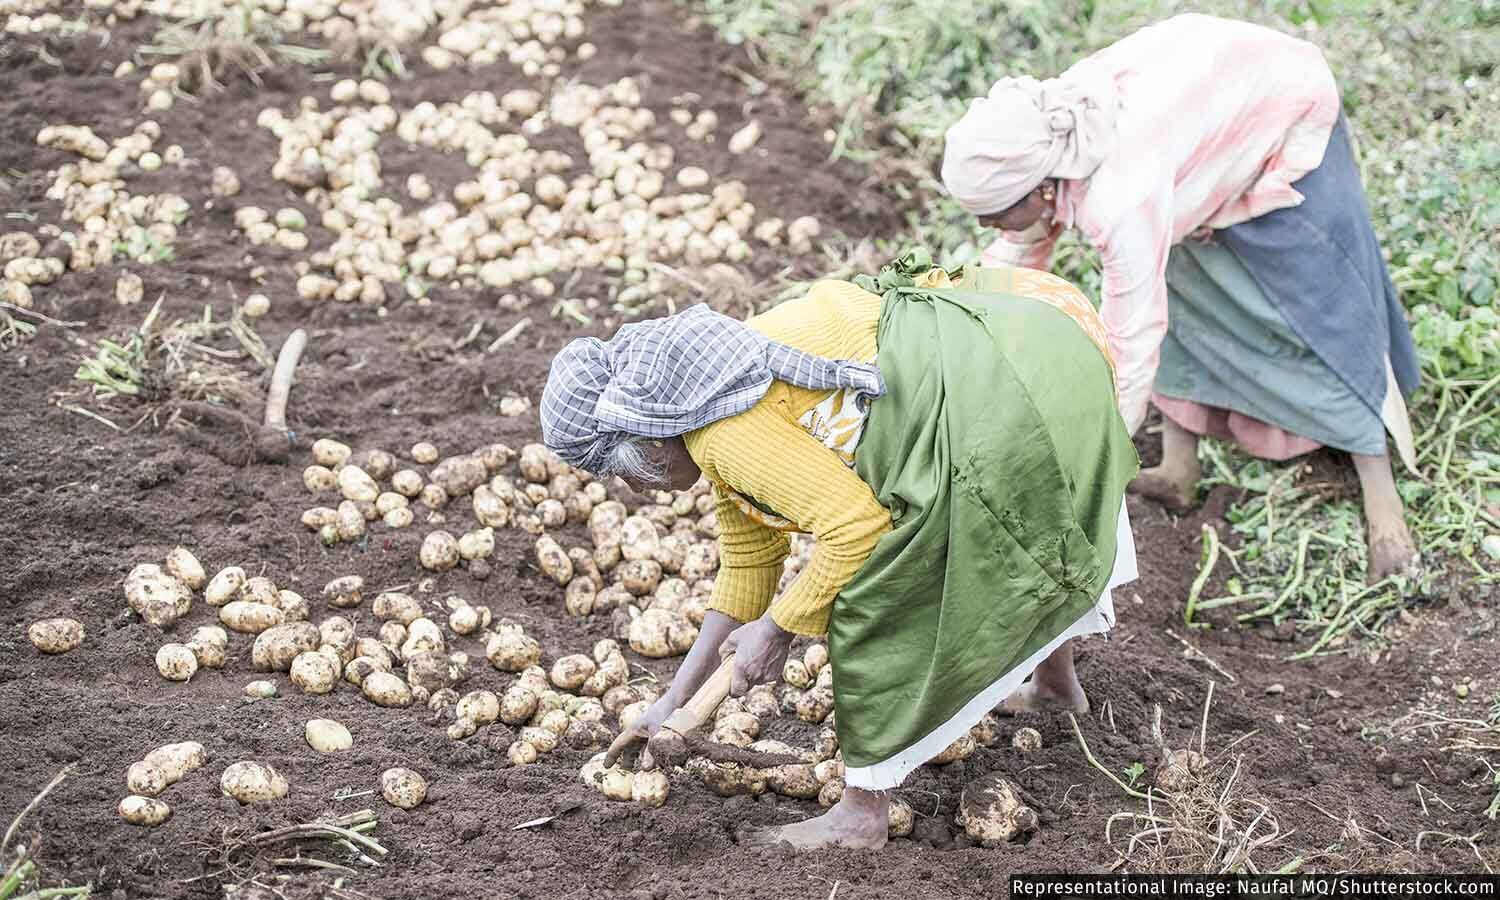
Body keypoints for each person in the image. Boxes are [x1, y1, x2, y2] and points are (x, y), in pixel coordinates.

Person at [540, 254, 1139, 849]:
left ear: (645, 431)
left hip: (999, 388)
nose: (635, 487)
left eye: (625, 470)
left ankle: (860, 814)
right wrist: (671, 703)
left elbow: (857, 529)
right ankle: (1057, 687)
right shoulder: (709, 395)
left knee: (871, 590)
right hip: (1022, 342)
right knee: (946, 540)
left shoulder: (722, 436)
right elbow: (748, 567)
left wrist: (777, 632)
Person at [940, 13, 1422, 580]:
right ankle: (1178, 470)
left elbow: (1132, 335)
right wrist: (960, 346)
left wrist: (1097, 455)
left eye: (995, 213)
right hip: (1199, 128)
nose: (992, 225)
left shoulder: (1119, 195)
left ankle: (1383, 502)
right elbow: (1013, 264)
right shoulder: (1048, 141)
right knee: (1188, 292)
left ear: (1042, 187)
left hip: (1281, 110)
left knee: (1319, 311)